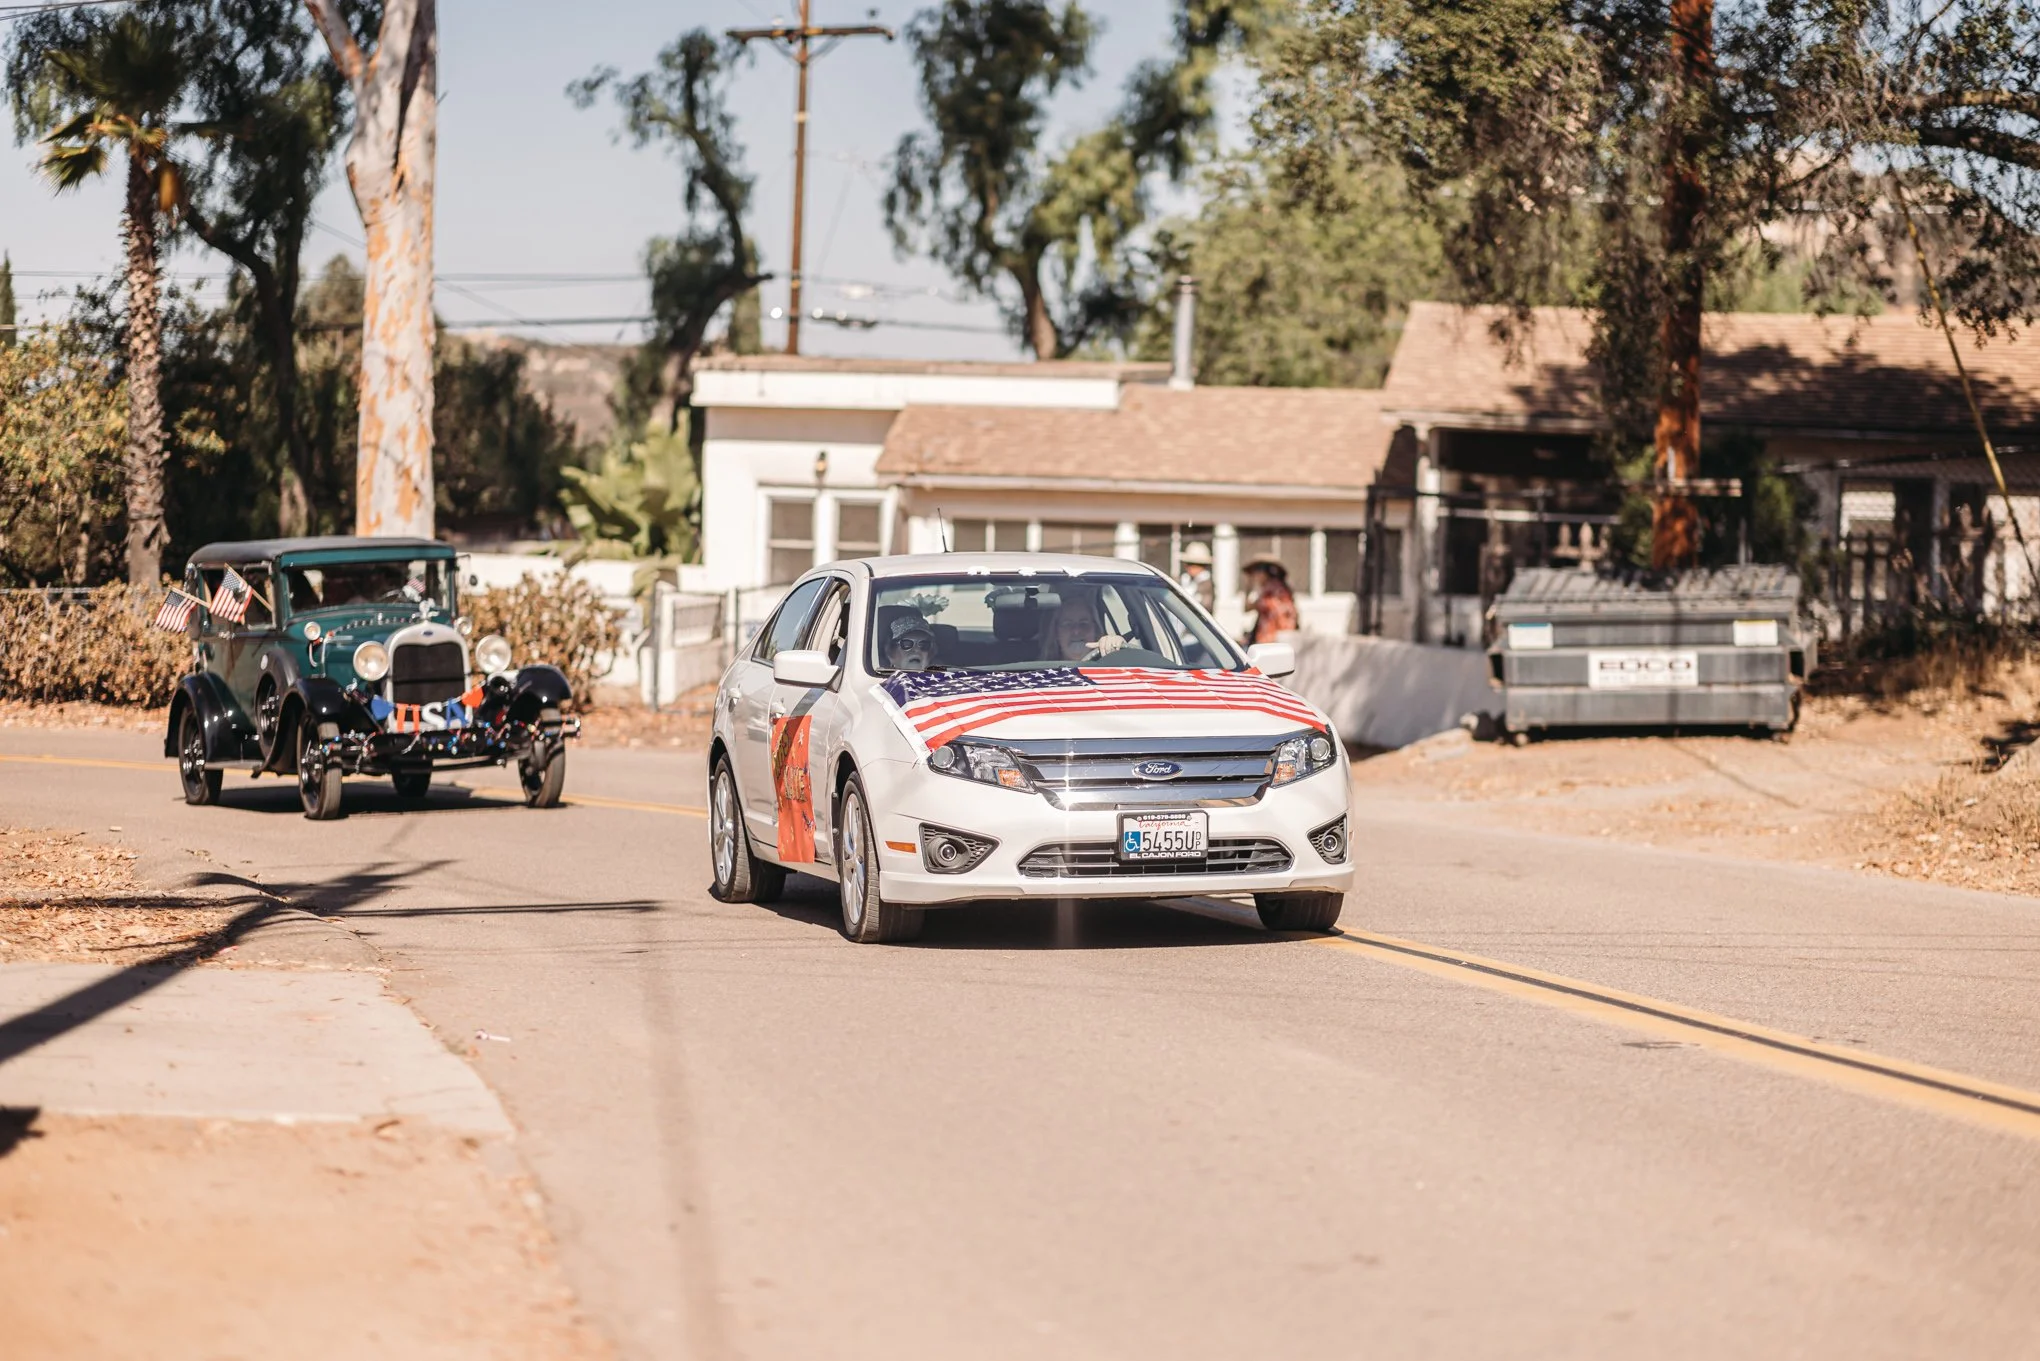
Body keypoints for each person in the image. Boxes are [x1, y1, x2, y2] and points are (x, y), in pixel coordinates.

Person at [1242, 556, 1298, 644]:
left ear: (1263, 573)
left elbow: (1248, 607)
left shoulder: (1273, 590)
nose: (1254, 578)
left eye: (1255, 573)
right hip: (1275, 640)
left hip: (1272, 640)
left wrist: (1249, 587)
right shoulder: (1272, 589)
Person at [1177, 541, 1215, 611]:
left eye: (1193, 564)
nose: (1189, 567)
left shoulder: (1207, 583)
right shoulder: (1184, 579)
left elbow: (1206, 606)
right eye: (1188, 564)